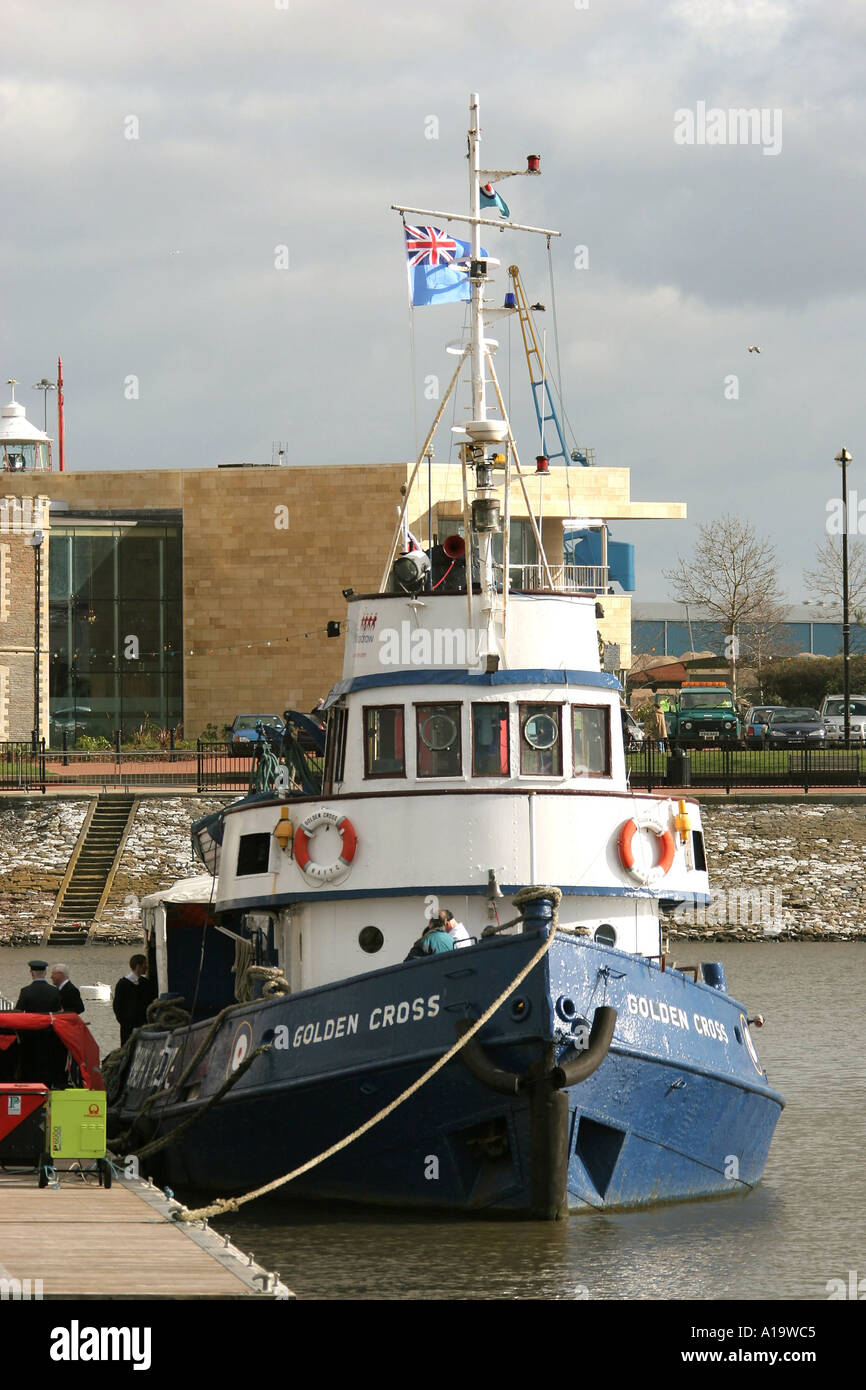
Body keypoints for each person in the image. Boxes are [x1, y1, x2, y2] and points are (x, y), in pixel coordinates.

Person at [14, 961, 66, 1087]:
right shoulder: (55, 991)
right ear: (45, 973)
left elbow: (18, 1013)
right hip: (50, 1035)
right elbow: (60, 1013)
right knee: (48, 1066)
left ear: (32, 973)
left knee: (30, 1066)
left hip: (29, 1037)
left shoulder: (26, 991)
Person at [112, 955, 157, 1045]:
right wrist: (125, 1023)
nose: (147, 967)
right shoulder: (123, 984)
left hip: (144, 1025)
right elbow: (117, 1006)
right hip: (128, 1028)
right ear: (138, 966)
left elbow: (152, 1002)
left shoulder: (145, 983)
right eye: (145, 964)